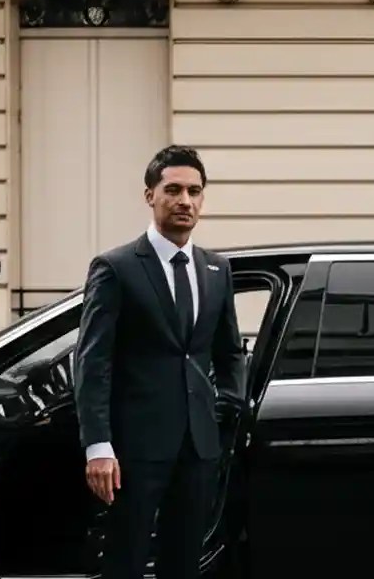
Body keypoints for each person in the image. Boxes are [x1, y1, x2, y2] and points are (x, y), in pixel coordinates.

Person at [73, 144, 248, 579]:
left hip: (198, 449)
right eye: (173, 189)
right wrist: (99, 445)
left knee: (184, 563)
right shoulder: (116, 268)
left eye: (194, 191)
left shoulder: (215, 269)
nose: (184, 201)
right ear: (150, 195)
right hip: (133, 451)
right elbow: (92, 363)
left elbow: (228, 352)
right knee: (126, 561)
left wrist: (224, 410)